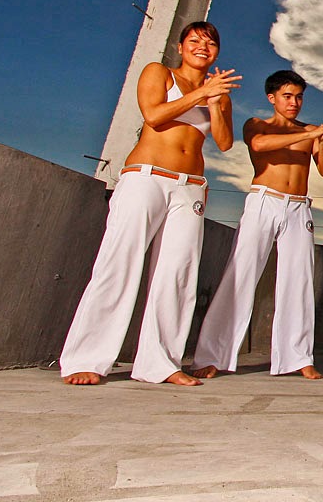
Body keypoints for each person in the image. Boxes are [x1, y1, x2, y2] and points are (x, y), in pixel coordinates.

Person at [61, 22, 238, 386]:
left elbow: (223, 143)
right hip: (146, 178)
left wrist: (216, 104)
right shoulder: (159, 72)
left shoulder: (218, 92)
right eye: (195, 40)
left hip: (190, 188)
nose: (203, 46)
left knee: (178, 274)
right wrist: (200, 93)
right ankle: (87, 358)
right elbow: (153, 115)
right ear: (180, 45)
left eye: (210, 42)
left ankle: (160, 362)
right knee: (119, 264)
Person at [190, 70, 323, 380]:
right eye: (287, 96)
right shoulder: (257, 124)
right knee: (241, 273)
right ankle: (213, 355)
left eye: (298, 97)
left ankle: (298, 358)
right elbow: (259, 145)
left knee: (299, 281)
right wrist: (310, 135)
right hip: (264, 200)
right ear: (272, 98)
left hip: (299, 207)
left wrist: (320, 141)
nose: (294, 102)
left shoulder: (310, 131)